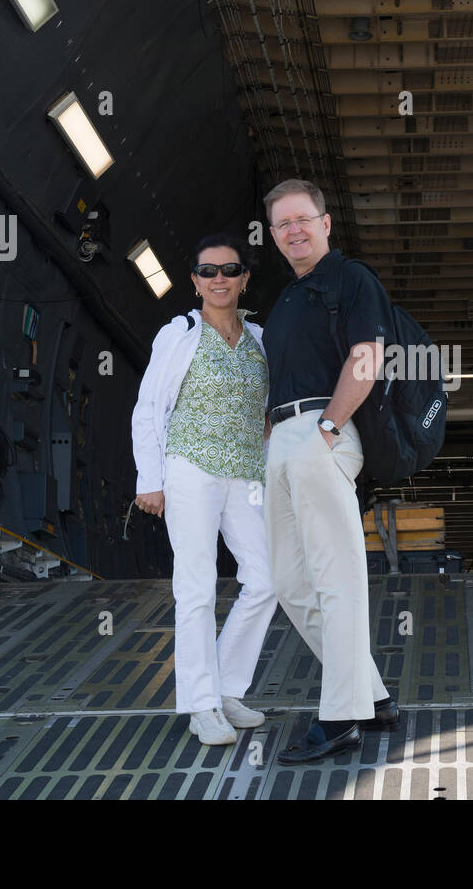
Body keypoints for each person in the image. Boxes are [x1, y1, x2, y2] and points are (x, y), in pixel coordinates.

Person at [262, 179, 399, 764]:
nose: (293, 230)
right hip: (284, 440)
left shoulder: (351, 279)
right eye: (281, 224)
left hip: (323, 432)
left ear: (326, 223)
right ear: (273, 236)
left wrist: (329, 428)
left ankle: (340, 718)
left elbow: (365, 356)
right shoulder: (287, 298)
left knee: (336, 580)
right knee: (291, 584)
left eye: (302, 219)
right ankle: (372, 696)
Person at [130, 233, 276, 746]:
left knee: (266, 578)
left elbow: (265, 415)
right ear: (194, 281)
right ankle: (201, 705)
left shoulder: (259, 338)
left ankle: (228, 688)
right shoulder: (180, 333)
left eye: (229, 270)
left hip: (246, 474)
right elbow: (149, 406)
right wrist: (150, 479)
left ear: (244, 279)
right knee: (196, 586)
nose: (219, 279)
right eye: (208, 271)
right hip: (190, 467)